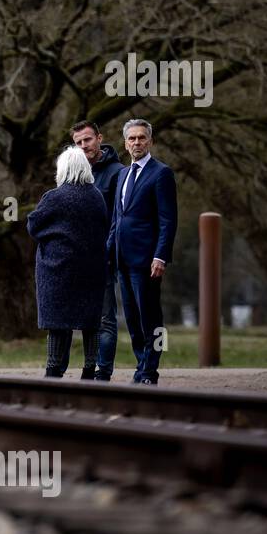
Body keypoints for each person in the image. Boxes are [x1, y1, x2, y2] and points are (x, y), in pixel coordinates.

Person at [106, 119, 178, 385]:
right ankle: (141, 368)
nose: (137, 142)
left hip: (147, 261)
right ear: (125, 143)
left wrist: (160, 256)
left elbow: (168, 220)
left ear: (150, 141)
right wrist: (108, 252)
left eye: (141, 138)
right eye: (132, 139)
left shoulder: (161, 173)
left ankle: (149, 372)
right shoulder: (122, 175)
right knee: (133, 321)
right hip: (122, 260)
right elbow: (117, 218)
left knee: (150, 318)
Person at [26, 146, 109, 378]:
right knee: (90, 323)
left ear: (63, 169)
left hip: (58, 270)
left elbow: (33, 226)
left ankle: (54, 369)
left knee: (58, 323)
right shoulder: (97, 196)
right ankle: (89, 369)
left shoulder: (54, 197)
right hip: (92, 270)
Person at [70, 121, 125, 380]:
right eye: (79, 142)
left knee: (105, 317)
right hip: (77, 257)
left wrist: (107, 251)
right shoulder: (73, 173)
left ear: (99, 138)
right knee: (84, 318)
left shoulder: (118, 173)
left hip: (103, 256)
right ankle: (89, 368)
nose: (84, 146)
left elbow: (119, 218)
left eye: (88, 140)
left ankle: (104, 372)